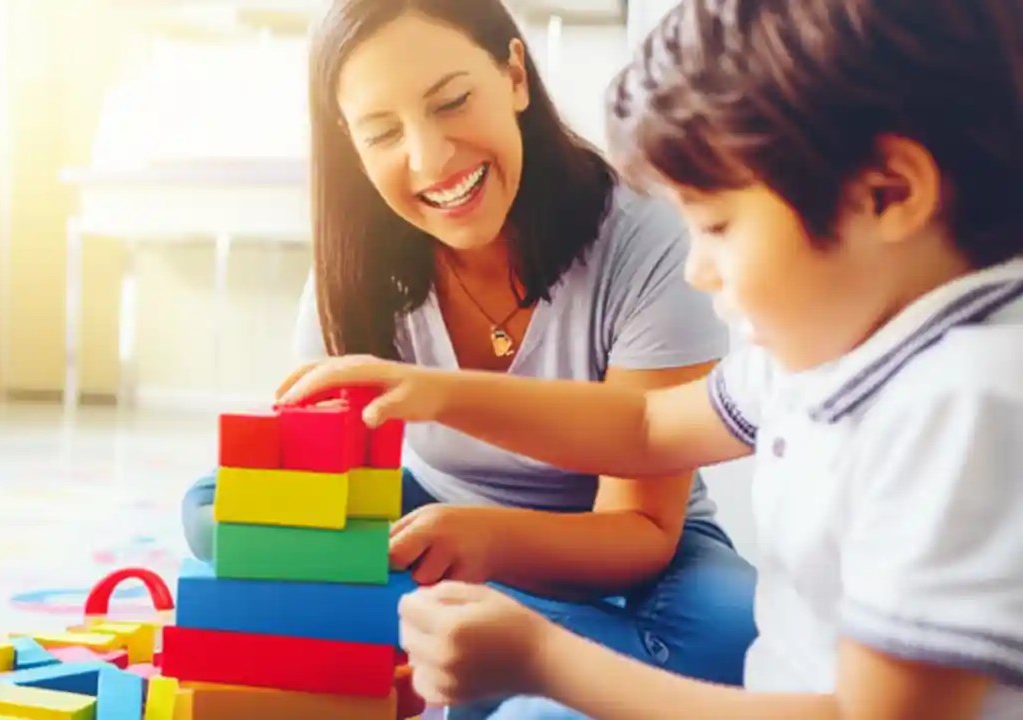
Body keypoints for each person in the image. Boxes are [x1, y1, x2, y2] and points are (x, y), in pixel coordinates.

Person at [277, 0, 1023, 717]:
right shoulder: (834, 350)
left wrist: (544, 659)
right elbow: (643, 425)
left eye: (720, 225)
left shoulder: (961, 405)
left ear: (888, 193)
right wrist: (433, 393)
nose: (697, 268)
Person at [180, 0, 757, 714]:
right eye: (382, 131)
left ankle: (471, 642)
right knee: (212, 509)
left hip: (630, 544)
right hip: (434, 510)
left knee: (732, 632)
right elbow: (320, 489)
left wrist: (483, 540)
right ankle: (486, 646)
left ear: (514, 75)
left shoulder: (648, 240)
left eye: (452, 101)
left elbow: (641, 526)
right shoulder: (357, 269)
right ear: (349, 142)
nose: (430, 159)